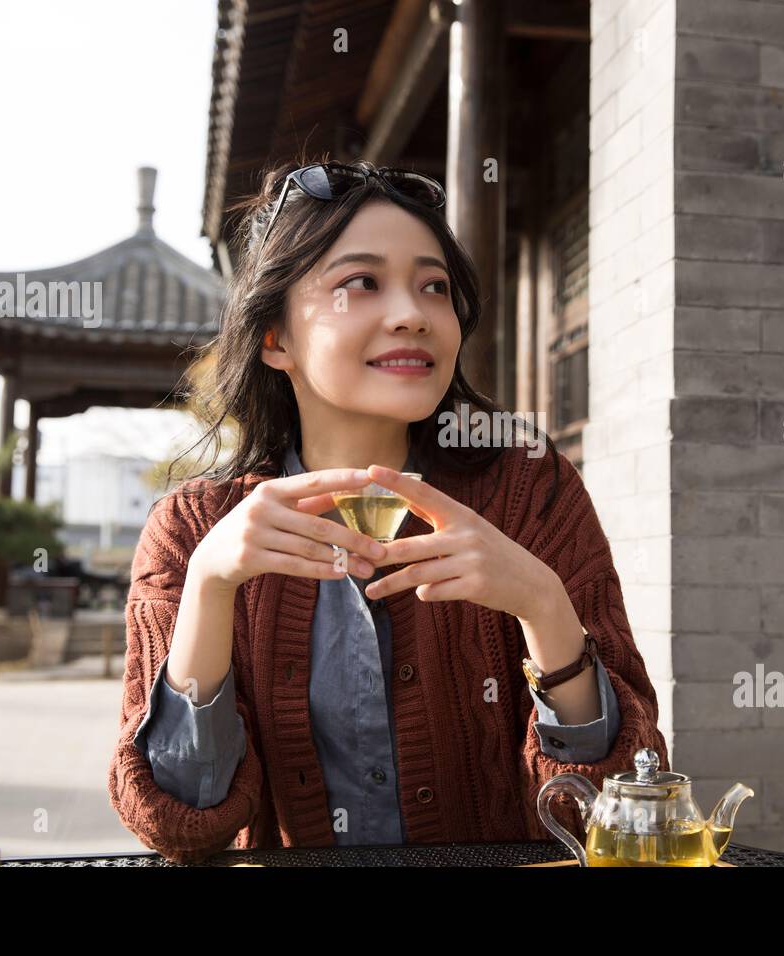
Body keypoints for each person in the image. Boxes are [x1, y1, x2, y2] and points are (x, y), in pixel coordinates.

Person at [107, 155, 669, 864]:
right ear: (275, 337)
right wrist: (209, 590)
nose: (412, 315)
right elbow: (179, 826)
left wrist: (545, 608)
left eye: (434, 287)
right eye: (361, 284)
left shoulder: (532, 491)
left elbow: (622, 805)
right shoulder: (191, 532)